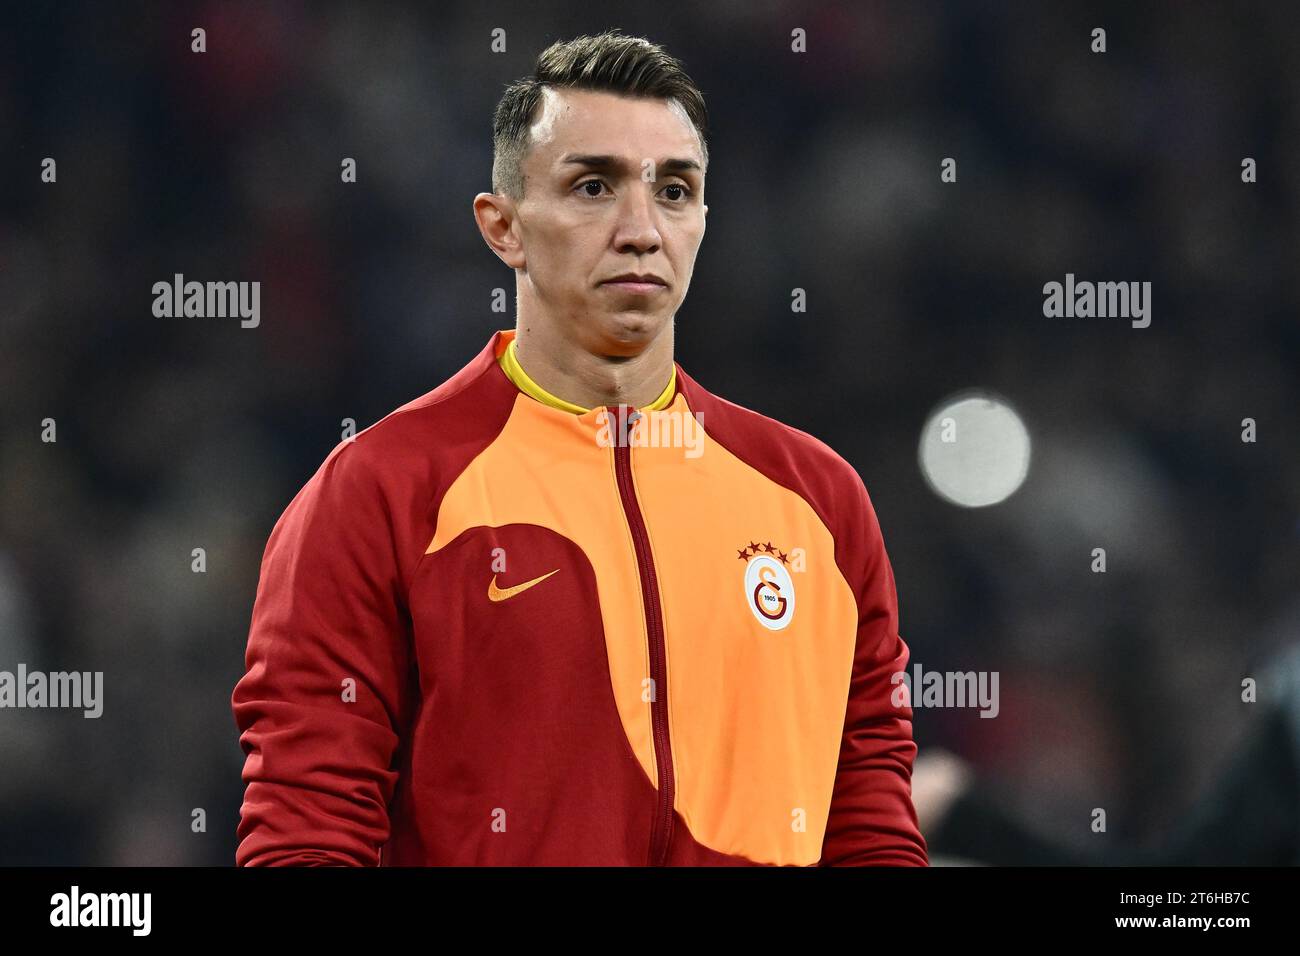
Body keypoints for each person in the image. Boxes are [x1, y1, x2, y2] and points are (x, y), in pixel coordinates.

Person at [231, 29, 927, 867]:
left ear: (703, 221)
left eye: (674, 191)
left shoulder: (817, 499)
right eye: (593, 186)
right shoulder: (381, 493)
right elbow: (306, 828)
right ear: (503, 228)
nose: (642, 229)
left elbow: (869, 817)